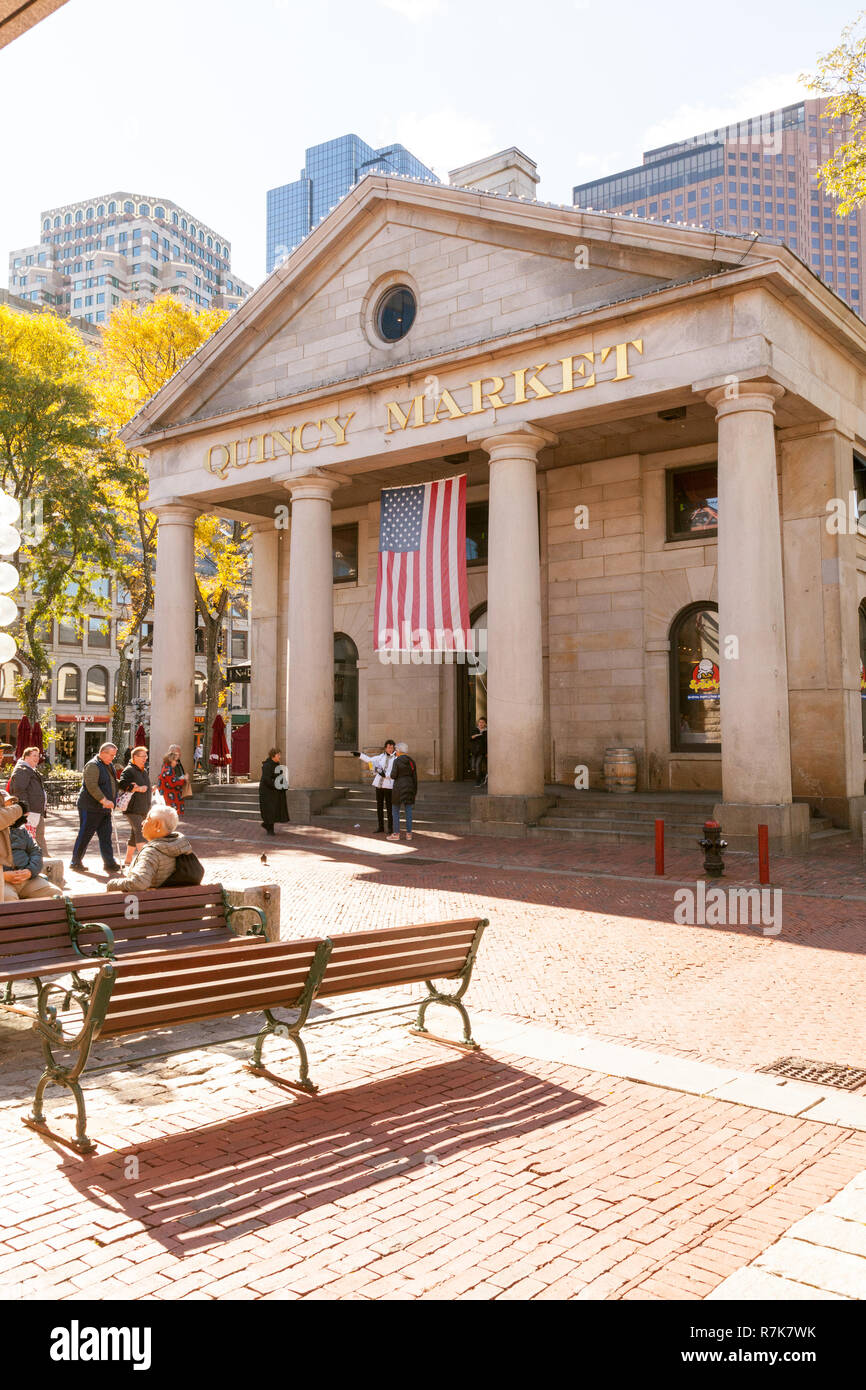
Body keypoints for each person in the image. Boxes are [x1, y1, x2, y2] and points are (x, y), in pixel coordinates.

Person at [106, 804, 195, 892]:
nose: (142, 823)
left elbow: (139, 883)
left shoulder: (151, 853)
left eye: (147, 819)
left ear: (157, 825)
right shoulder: (182, 847)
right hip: (178, 903)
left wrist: (112, 884)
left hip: (154, 904)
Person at [70, 742, 121, 874]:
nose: (112, 758)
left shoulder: (109, 765)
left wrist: (126, 787)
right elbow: (92, 786)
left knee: (106, 835)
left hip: (105, 808)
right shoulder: (93, 765)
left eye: (114, 755)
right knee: (85, 834)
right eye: (111, 755)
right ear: (102, 753)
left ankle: (109, 863)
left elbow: (111, 783)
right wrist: (103, 800)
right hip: (90, 807)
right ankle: (75, 861)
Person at [2, 797, 62, 899]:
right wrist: (3, 875)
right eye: (6, 807)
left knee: (55, 895)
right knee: (9, 902)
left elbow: (36, 851)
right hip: (4, 882)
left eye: (12, 805)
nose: (12, 810)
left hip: (28, 879)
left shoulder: (20, 830)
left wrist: (30, 871)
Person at [8, 745, 49, 855]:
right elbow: (19, 790)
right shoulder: (22, 770)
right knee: (31, 838)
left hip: (36, 811)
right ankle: (42, 860)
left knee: (39, 837)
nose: (37, 758)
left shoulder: (30, 770)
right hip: (30, 812)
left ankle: (44, 860)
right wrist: (25, 809)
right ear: (26, 757)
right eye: (34, 755)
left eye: (38, 755)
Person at [118, 746, 152, 866]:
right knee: (140, 832)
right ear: (135, 757)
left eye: (146, 756)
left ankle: (127, 861)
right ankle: (144, 863)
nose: (145, 758)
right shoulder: (129, 770)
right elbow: (122, 784)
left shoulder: (143, 770)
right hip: (132, 808)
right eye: (143, 756)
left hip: (143, 808)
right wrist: (137, 788)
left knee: (134, 834)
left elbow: (144, 787)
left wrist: (150, 790)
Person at [356, 740, 396, 834]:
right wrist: (360, 755)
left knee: (389, 808)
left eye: (392, 747)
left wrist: (385, 775)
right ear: (385, 748)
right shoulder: (381, 757)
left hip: (389, 786)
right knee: (379, 807)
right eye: (389, 747)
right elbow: (370, 760)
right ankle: (381, 827)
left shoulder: (396, 759)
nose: (390, 749)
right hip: (379, 785)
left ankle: (390, 827)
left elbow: (395, 771)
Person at [388, 742, 417, 842]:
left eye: (396, 750)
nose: (395, 752)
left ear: (399, 751)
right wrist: (414, 792)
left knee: (395, 811)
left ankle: (396, 834)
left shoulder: (396, 761)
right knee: (408, 811)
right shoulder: (411, 761)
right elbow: (415, 778)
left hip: (398, 788)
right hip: (409, 788)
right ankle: (409, 834)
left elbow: (393, 775)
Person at [259, 748, 289, 835]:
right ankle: (269, 829)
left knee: (275, 810)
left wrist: (284, 785)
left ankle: (267, 825)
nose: (280, 756)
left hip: (275, 791)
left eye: (280, 754)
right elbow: (267, 779)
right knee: (270, 810)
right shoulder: (267, 765)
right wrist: (277, 786)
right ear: (273, 756)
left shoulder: (277, 765)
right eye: (278, 755)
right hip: (267, 792)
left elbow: (281, 777)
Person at [158, 748, 187, 816]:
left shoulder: (167, 768)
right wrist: (184, 779)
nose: (177, 763)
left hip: (170, 797)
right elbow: (173, 783)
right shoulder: (168, 770)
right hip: (170, 798)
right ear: (171, 760)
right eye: (176, 761)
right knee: (170, 817)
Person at [469, 717, 488, 786]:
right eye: (480, 722)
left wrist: (487, 752)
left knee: (477, 765)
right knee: (473, 766)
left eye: (482, 722)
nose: (481, 724)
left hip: (481, 752)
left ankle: (478, 782)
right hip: (474, 751)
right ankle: (483, 776)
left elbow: (487, 743)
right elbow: (470, 738)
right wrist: (473, 737)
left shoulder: (486, 732)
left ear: (485, 724)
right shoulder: (475, 730)